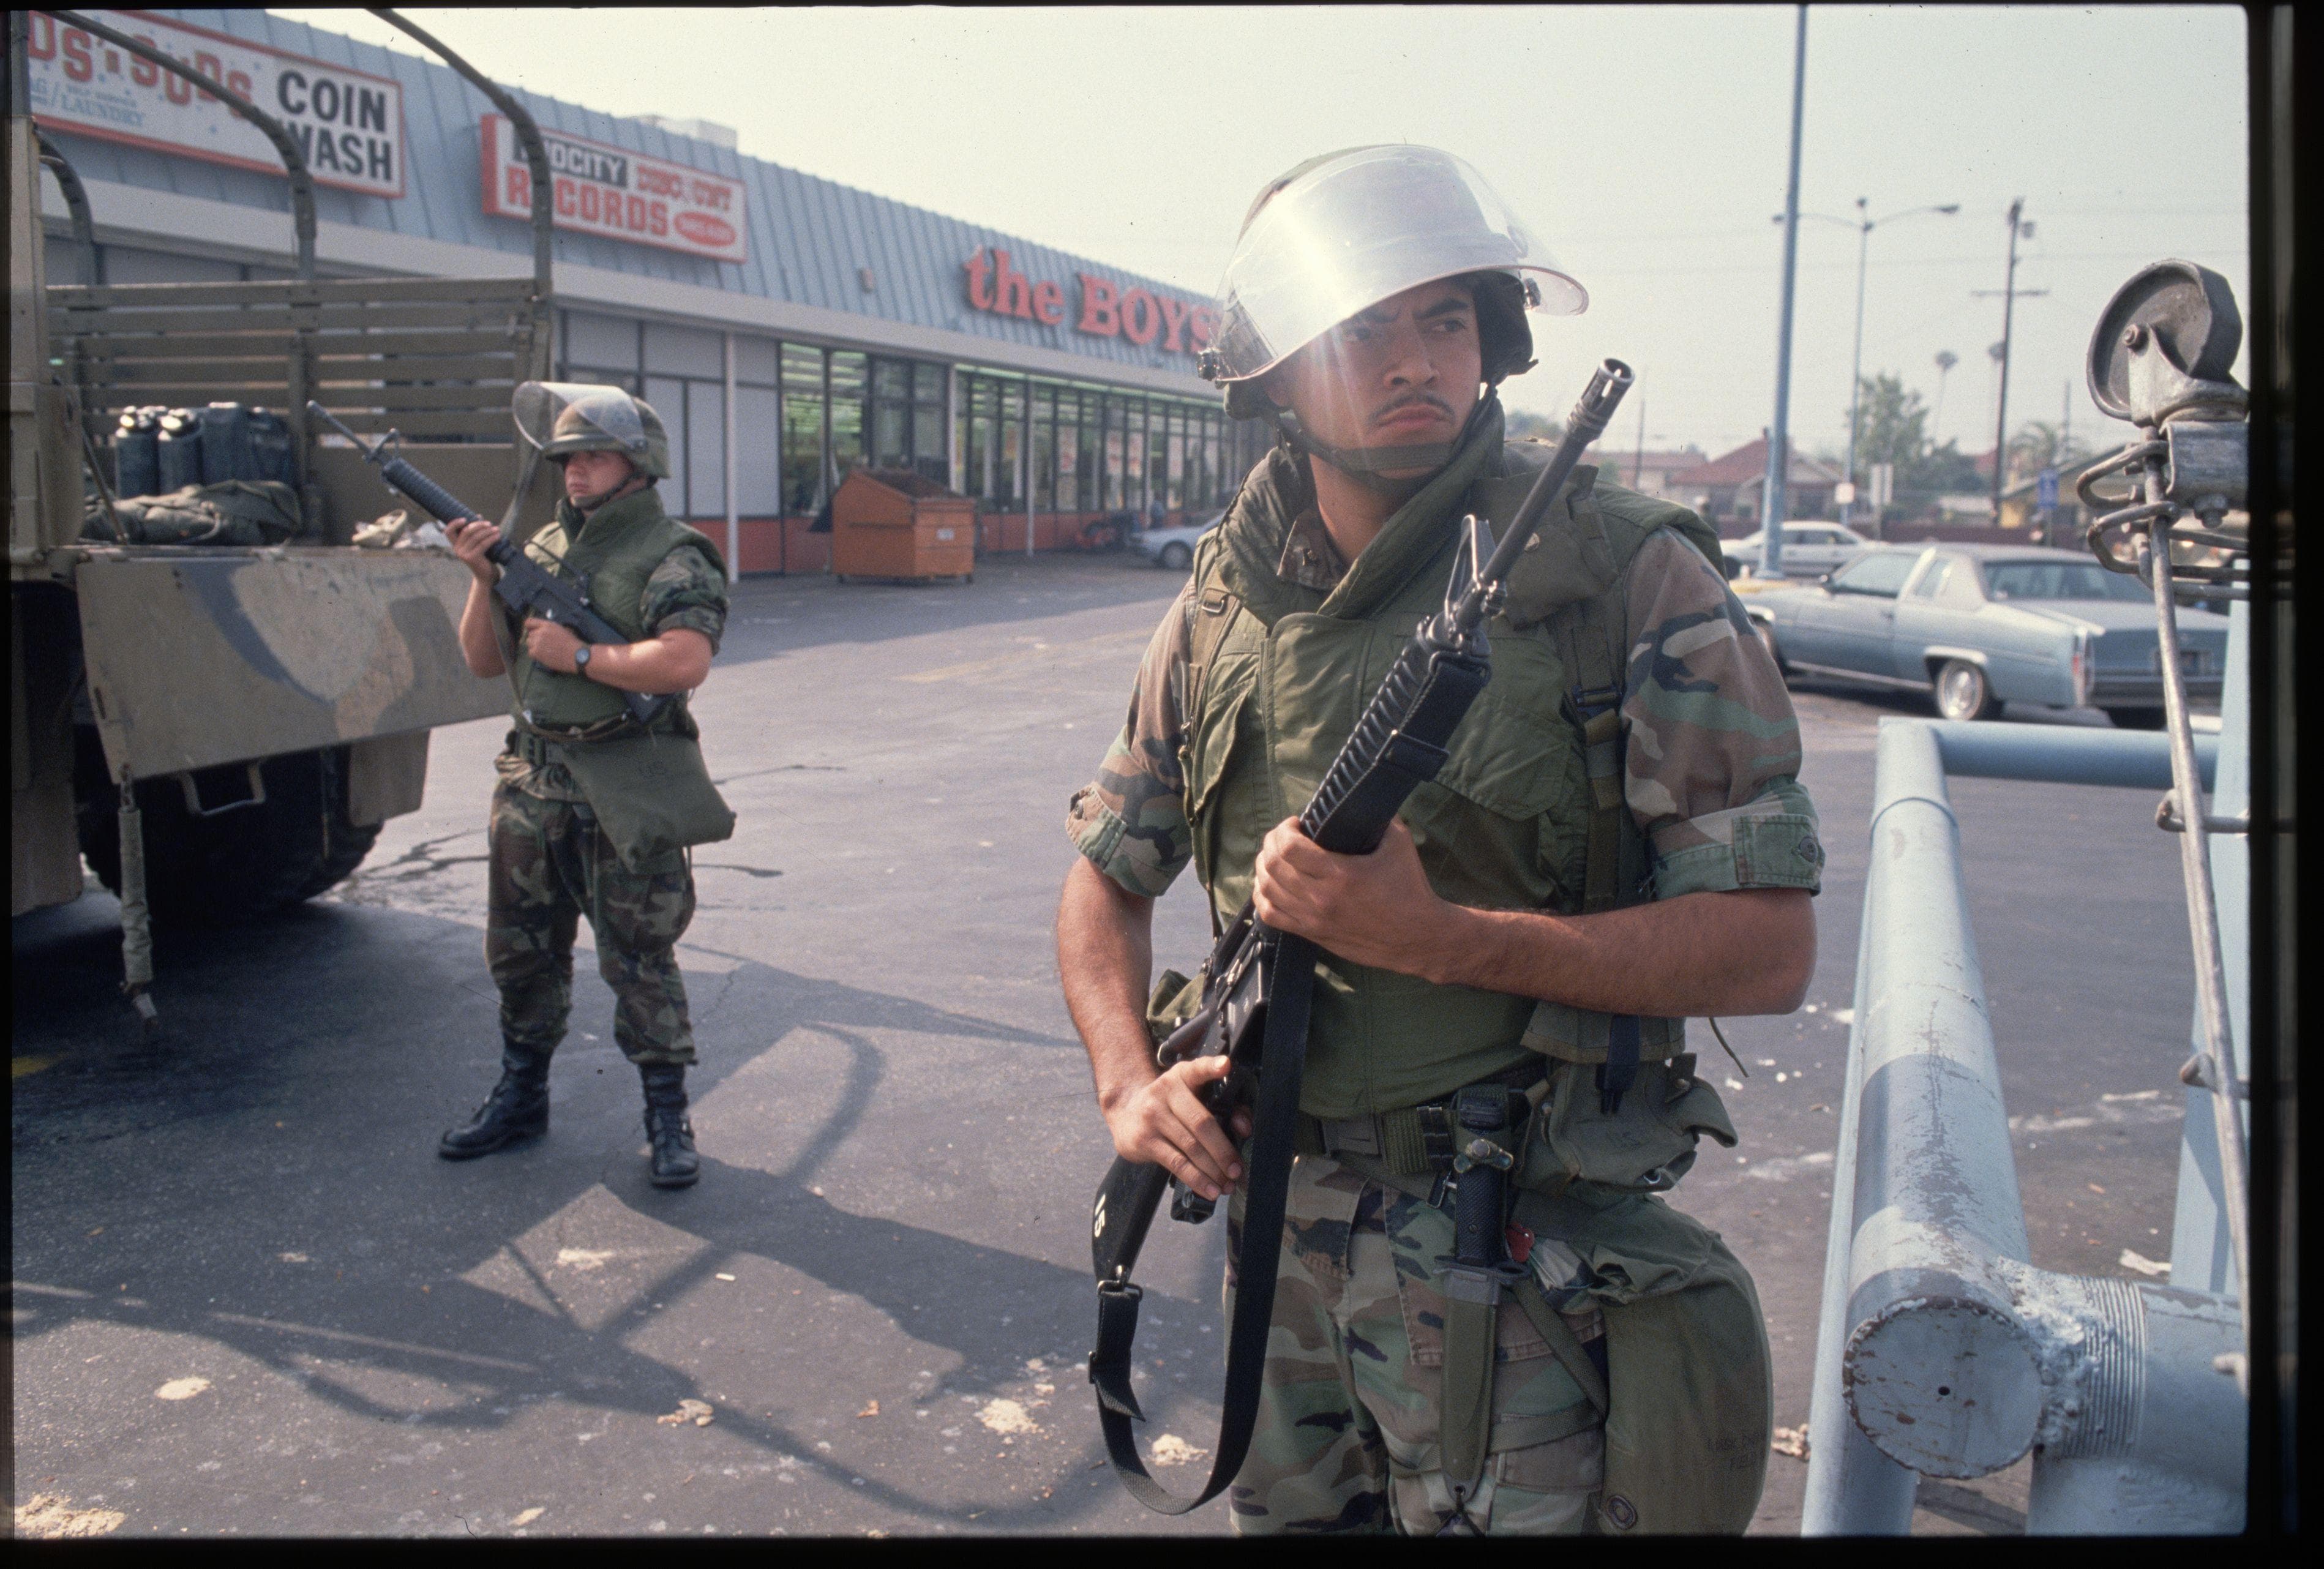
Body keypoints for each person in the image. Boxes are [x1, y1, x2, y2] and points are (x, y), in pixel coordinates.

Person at [1057, 147, 1823, 1535]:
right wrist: (1127, 1085)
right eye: (1365, 328)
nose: (1414, 360)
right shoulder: (1218, 606)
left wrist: (1444, 941)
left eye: (1445, 319)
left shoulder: (1621, 575)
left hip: (1512, 1255)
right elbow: (1102, 881)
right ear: (1277, 370)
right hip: (1276, 1236)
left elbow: (1767, 946)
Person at [439, 387, 730, 1189]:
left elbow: (682, 661)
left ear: (637, 467)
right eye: (567, 459)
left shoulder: (674, 553)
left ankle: (667, 1118)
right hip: (534, 784)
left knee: (640, 958)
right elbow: (485, 661)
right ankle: (521, 1096)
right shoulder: (535, 547)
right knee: (521, 955)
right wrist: (478, 578)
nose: (575, 473)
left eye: (594, 456)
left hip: (623, 784)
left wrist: (579, 657)